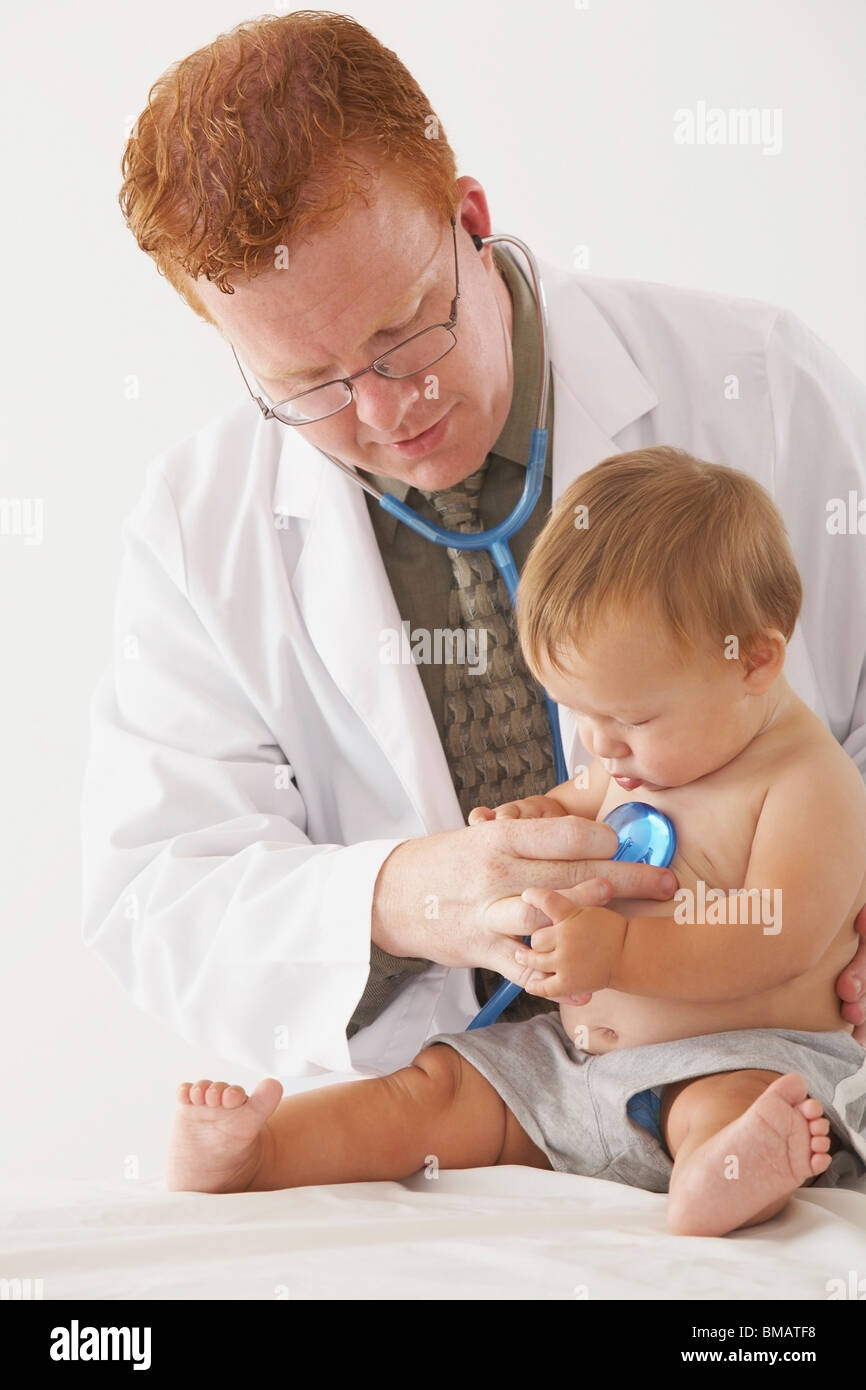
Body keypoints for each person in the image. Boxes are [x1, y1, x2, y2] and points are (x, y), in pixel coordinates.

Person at [81, 12, 866, 1088]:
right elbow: (157, 892)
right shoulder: (196, 526)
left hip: (772, 1052)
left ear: (469, 220)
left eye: (405, 331)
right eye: (306, 384)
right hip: (451, 1119)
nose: (385, 408)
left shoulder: (756, 382)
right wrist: (407, 895)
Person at [166, 449, 866, 1237]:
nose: (603, 748)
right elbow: (583, 795)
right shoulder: (654, 740)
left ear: (756, 662)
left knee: (721, 1109)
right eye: (581, 717)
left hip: (735, 1056)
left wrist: (624, 959)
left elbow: (777, 938)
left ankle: (725, 1174)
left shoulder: (808, 785)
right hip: (568, 1064)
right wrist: (533, 812)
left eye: (629, 722)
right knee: (435, 1088)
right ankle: (261, 1151)